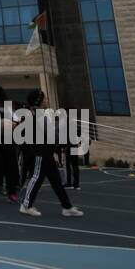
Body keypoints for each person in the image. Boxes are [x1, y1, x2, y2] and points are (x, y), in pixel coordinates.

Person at [19, 89, 83, 218]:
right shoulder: (37, 114)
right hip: (40, 153)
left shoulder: (38, 114)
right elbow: (51, 134)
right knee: (36, 178)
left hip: (46, 153)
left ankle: (67, 207)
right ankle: (26, 205)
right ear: (39, 100)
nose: (47, 100)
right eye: (45, 98)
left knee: (56, 182)